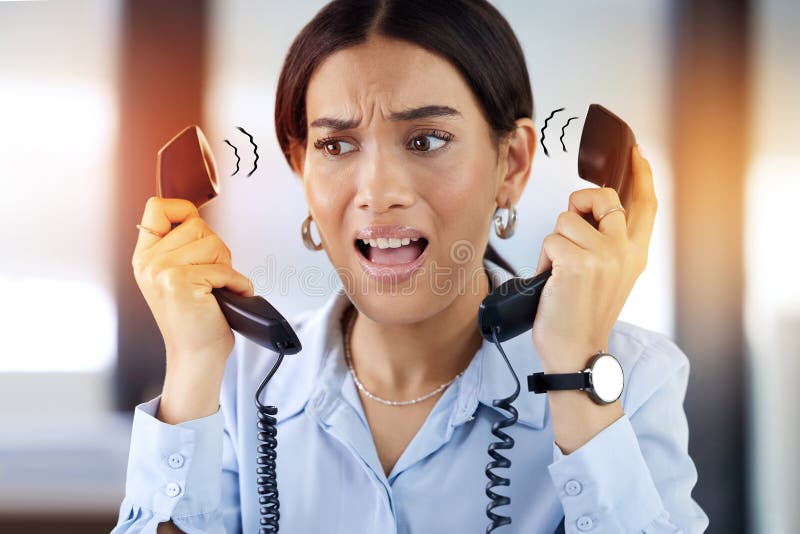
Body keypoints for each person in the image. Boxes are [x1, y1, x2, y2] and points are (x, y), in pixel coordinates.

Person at [113, 1, 709, 532]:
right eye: (336, 146)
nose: (377, 191)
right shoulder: (232, 384)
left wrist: (578, 374)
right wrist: (191, 369)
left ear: (514, 165)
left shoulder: (633, 378)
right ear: (301, 169)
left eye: (425, 140)